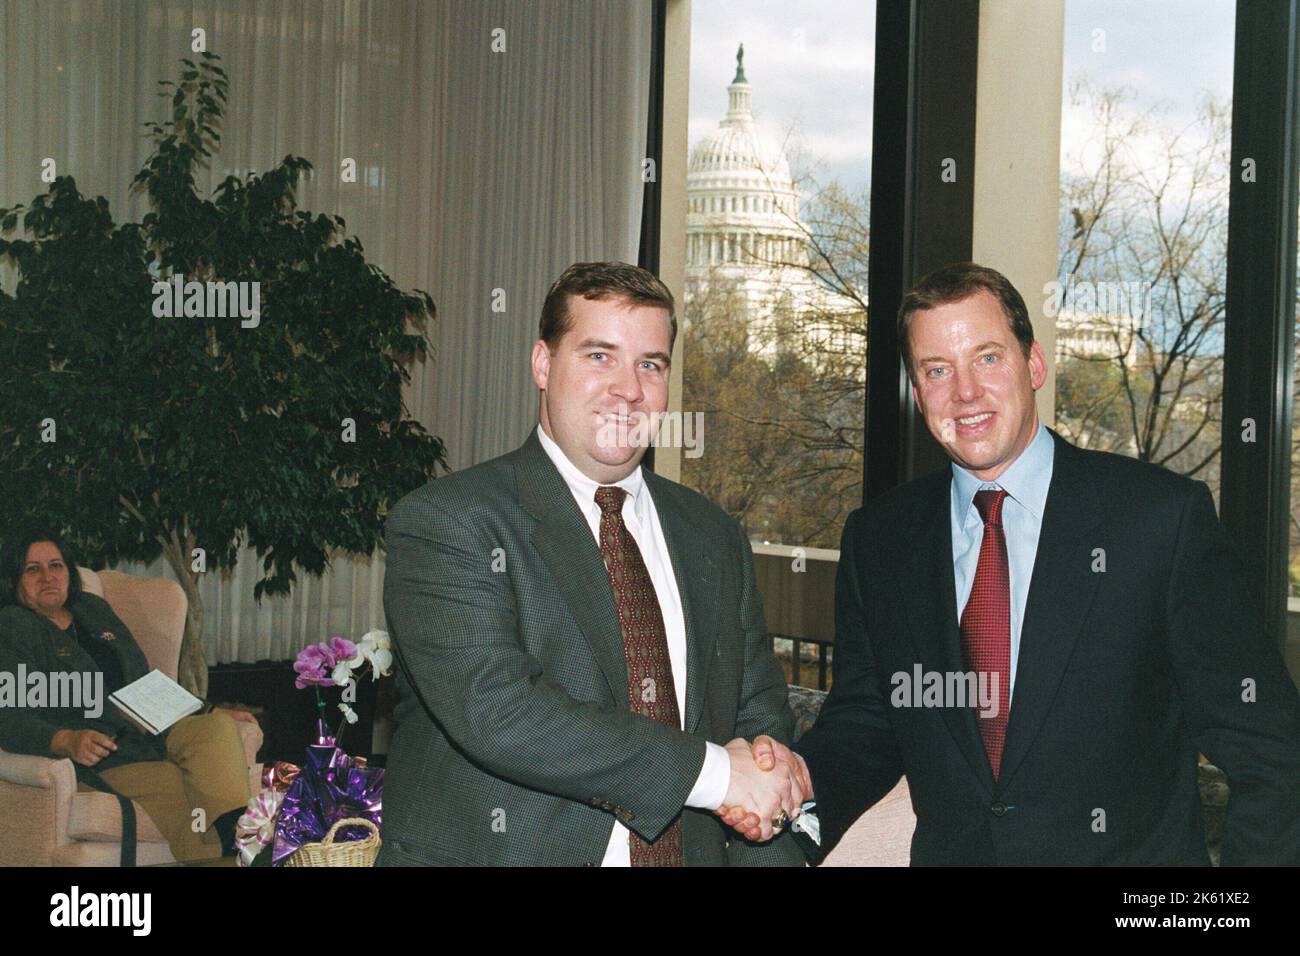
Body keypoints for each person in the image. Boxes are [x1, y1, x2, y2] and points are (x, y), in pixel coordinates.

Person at [719, 262, 1300, 865]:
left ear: (1035, 365)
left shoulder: (1159, 520)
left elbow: (1270, 750)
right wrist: (804, 777)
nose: (964, 392)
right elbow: (871, 718)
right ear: (918, 394)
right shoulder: (882, 539)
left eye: (988, 358)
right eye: (937, 370)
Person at [378, 261, 806, 866]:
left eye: (650, 364)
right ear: (543, 365)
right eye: (599, 356)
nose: (628, 389)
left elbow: (758, 712)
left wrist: (768, 779)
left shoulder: (713, 534)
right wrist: (717, 775)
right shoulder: (448, 521)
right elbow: (499, 712)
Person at [0, 527, 257, 862]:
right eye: (32, 569)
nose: (47, 576)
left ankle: (237, 832)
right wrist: (65, 739)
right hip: (102, 756)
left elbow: (142, 681)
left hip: (151, 728)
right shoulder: (12, 627)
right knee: (175, 784)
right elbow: (9, 717)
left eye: (57, 565)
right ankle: (237, 847)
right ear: (14, 580)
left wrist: (207, 711)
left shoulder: (92, 608)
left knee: (216, 729)